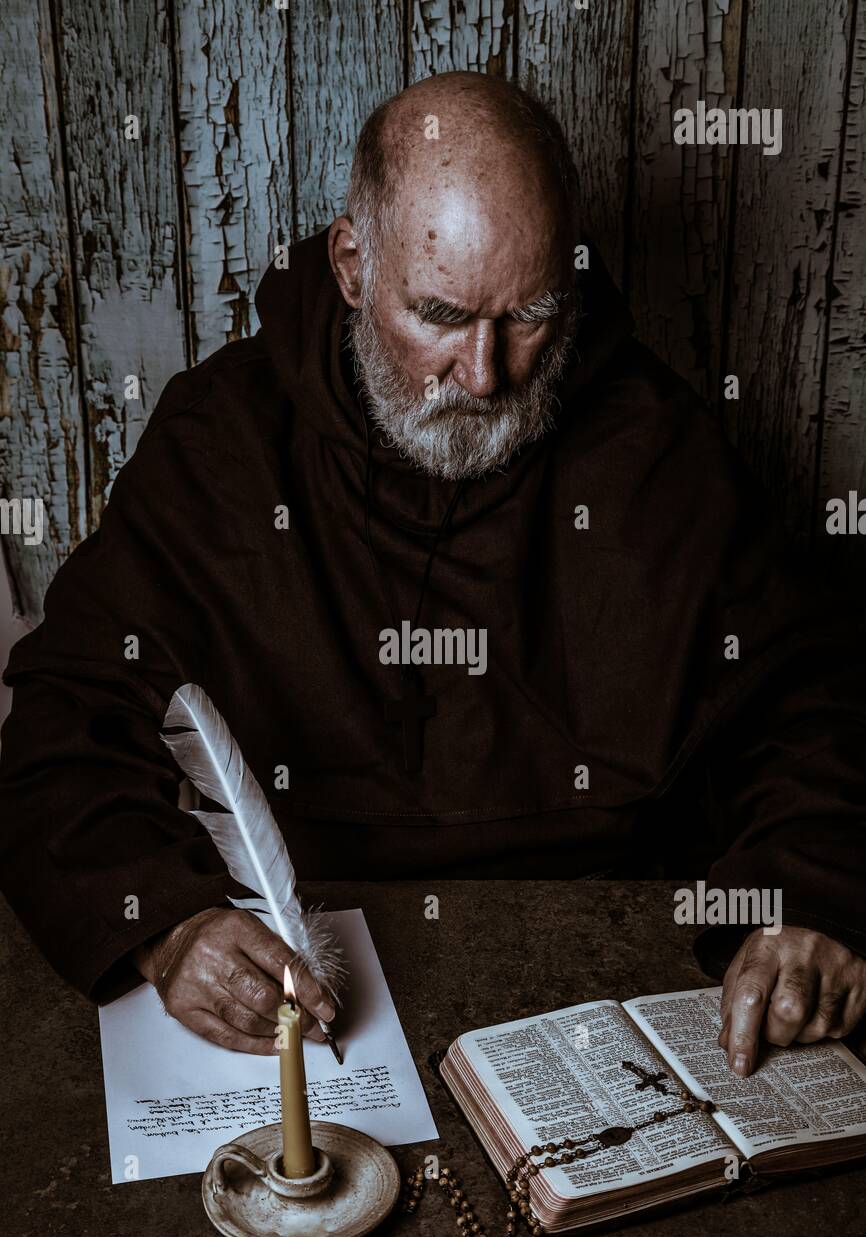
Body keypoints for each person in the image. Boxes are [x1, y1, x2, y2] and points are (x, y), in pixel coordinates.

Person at [1, 72, 864, 1075]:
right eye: (440, 314)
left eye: (530, 313)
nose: (486, 373)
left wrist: (810, 894)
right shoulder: (220, 444)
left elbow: (820, 704)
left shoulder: (660, 451)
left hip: (614, 974)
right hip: (301, 979)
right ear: (351, 263)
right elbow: (62, 723)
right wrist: (165, 923)